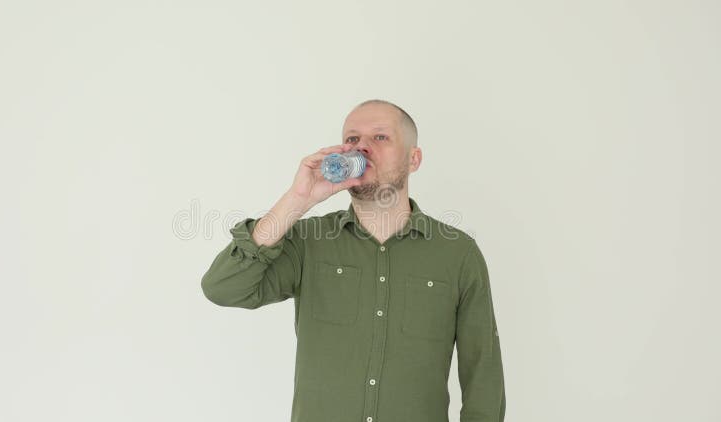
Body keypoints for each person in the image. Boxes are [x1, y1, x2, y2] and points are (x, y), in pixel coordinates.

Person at [201, 99, 506, 422]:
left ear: (413, 159)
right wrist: (297, 200)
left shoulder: (458, 254)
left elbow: (483, 377)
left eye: (380, 137)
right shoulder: (308, 241)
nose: (362, 147)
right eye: (352, 139)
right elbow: (223, 288)